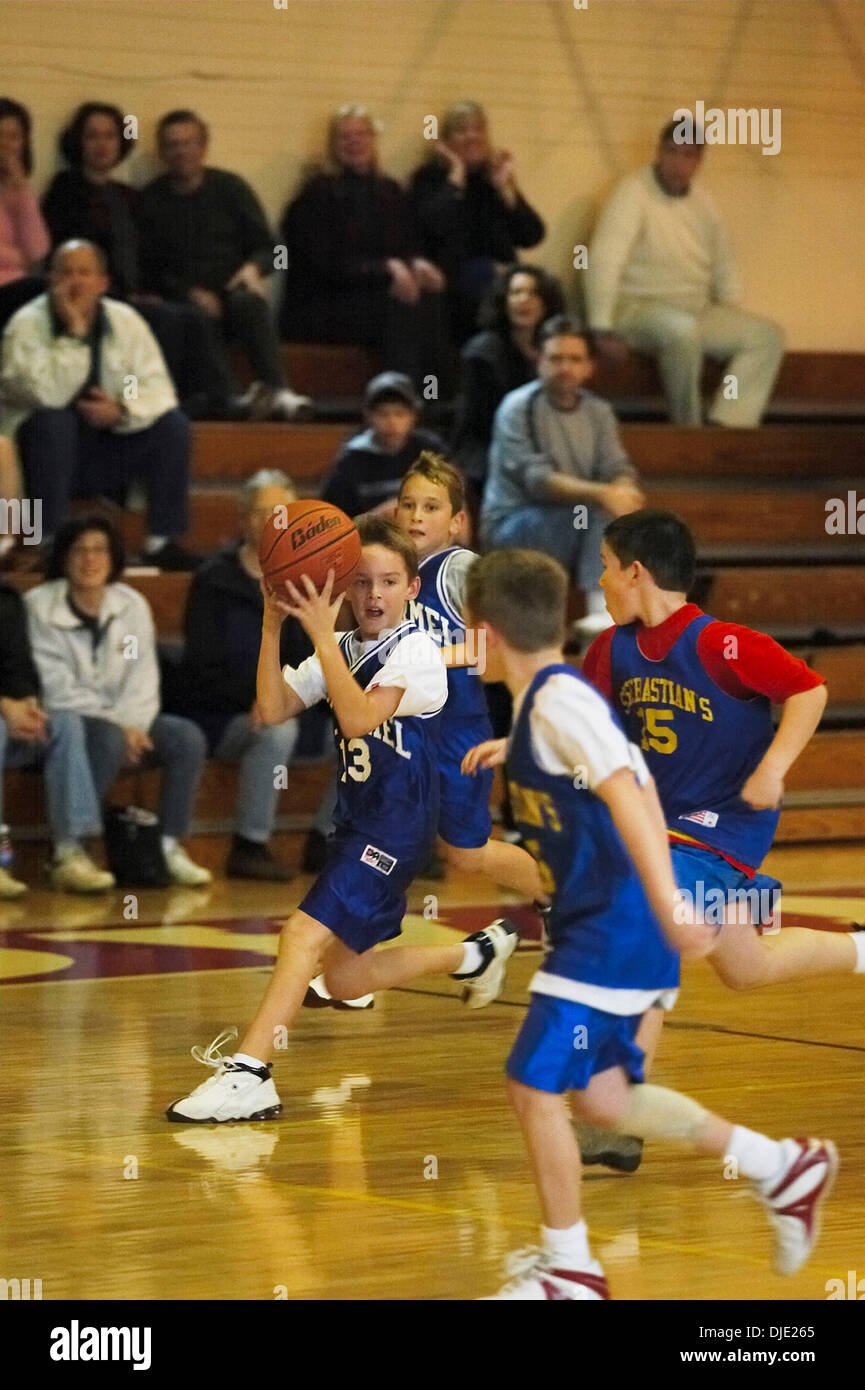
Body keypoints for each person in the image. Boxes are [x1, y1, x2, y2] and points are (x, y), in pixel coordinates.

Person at [460, 548, 837, 1299]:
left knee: (531, 1087)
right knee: (602, 1100)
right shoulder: (545, 706)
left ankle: (568, 1271)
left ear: (485, 634)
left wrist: (668, 903)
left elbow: (631, 791)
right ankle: (781, 1168)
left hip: (619, 922)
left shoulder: (560, 702)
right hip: (604, 922)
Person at [166, 518, 518, 1122]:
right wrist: (274, 625)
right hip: (357, 824)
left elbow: (356, 719)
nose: (374, 595)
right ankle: (476, 955)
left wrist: (322, 638)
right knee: (350, 979)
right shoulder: (348, 646)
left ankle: (252, 1072)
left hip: (398, 826)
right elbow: (270, 709)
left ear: (412, 590)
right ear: (342, 588)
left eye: (388, 582)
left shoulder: (417, 653)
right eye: (360, 582)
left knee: (301, 936)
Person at [579, 510, 865, 1170]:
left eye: (602, 565)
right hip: (663, 825)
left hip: (724, 823)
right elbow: (587, 731)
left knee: (657, 923)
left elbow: (809, 689)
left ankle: (619, 1112)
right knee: (745, 967)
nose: (598, 580)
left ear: (635, 571)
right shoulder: (610, 650)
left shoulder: (722, 643)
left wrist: (771, 768)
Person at [24, 516, 212, 887]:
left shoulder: (132, 605)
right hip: (70, 718)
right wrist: (118, 726)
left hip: (130, 719)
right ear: (63, 557)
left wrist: (133, 726)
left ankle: (168, 845)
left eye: (99, 550)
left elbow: (143, 679)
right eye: (80, 550)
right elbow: (55, 687)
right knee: (105, 738)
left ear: (113, 559)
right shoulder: (38, 606)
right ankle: (72, 850)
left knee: (185, 737)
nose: (90, 560)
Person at [0, 239, 197, 570]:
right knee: (54, 421)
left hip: (106, 448)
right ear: (51, 280)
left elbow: (145, 385)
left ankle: (161, 540)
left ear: (102, 282)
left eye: (84, 272)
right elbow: (46, 393)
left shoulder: (126, 324)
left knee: (173, 427)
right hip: (37, 455)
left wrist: (122, 409)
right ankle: (44, 541)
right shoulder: (27, 325)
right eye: (66, 273)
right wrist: (75, 337)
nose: (75, 281)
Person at [585, 119, 785, 426]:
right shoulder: (633, 192)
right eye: (672, 152)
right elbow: (604, 259)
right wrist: (601, 326)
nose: (678, 162)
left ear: (699, 161)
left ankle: (729, 422)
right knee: (682, 332)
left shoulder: (704, 204)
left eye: (688, 154)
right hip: (638, 309)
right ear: (659, 152)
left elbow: (723, 261)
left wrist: (730, 311)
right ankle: (688, 429)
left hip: (694, 310)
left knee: (766, 335)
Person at [41, 101, 233, 420]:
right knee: (166, 321)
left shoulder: (129, 196)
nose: (103, 145)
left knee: (189, 316)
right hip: (95, 293)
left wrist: (152, 288)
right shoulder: (65, 189)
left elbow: (152, 254)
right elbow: (66, 253)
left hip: (133, 293)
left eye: (110, 136)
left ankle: (210, 400)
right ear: (78, 142)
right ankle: (152, 403)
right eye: (92, 136)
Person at [137, 109, 311, 421]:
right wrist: (189, 292)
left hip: (235, 291)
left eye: (189, 143)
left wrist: (255, 268)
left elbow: (276, 250)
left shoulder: (231, 188)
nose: (181, 152)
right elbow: (147, 268)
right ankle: (231, 399)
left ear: (203, 147)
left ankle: (279, 390)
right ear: (162, 153)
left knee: (249, 301)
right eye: (173, 145)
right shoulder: (151, 200)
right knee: (197, 316)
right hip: (185, 300)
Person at [178, 470, 309, 881]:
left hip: (284, 707)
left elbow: (307, 660)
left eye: (284, 514)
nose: (276, 523)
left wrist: (285, 692)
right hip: (220, 717)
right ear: (244, 520)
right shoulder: (214, 579)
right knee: (277, 729)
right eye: (266, 513)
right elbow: (202, 666)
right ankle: (249, 845)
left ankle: (332, 838)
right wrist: (258, 697)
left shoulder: (300, 580)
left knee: (367, 717)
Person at [480, 315, 644, 638]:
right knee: (599, 509)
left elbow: (616, 467)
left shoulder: (599, 412)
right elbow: (537, 481)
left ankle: (615, 625)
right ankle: (602, 615)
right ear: (539, 359)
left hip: (573, 522)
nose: (565, 367)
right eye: (555, 358)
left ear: (589, 367)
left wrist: (625, 490)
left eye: (575, 359)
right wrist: (604, 495)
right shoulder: (518, 407)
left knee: (615, 514)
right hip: (513, 525)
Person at [277, 105, 449, 391]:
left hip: (370, 296)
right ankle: (401, 400)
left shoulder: (390, 191)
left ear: (373, 140)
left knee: (429, 300)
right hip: (325, 303)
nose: (354, 141)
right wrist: (386, 270)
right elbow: (325, 265)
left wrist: (416, 263)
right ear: (334, 146)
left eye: (361, 134)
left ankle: (436, 399)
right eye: (345, 137)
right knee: (399, 310)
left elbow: (406, 242)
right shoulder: (318, 192)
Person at [0, 576, 114, 896]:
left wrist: (27, 704)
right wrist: (5, 706)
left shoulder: (7, 599)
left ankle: (70, 852)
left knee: (65, 722)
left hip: (11, 723)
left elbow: (19, 668)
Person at [410, 100, 545, 345]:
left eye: (478, 128)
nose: (472, 136)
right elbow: (431, 225)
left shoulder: (492, 179)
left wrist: (507, 191)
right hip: (455, 280)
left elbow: (532, 235)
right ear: (446, 141)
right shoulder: (429, 178)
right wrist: (456, 178)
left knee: (545, 289)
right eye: (462, 130)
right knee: (488, 279)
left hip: (502, 278)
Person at [450, 263, 565, 501]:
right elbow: (474, 424)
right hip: (490, 447)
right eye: (516, 293)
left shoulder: (556, 351)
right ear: (504, 301)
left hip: (544, 449)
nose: (524, 300)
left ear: (546, 302)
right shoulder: (483, 352)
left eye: (533, 293)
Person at [322, 372, 445, 521]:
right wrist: (379, 517)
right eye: (382, 414)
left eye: (399, 414)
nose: (392, 422)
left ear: (413, 416)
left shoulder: (429, 449)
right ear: (368, 416)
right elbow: (333, 521)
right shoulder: (351, 459)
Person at [0, 97, 49, 334]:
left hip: (21, 290)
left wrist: (21, 191)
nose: (6, 145)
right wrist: (18, 259)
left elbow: (37, 252)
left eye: (13, 137)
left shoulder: (19, 191)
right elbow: (26, 260)